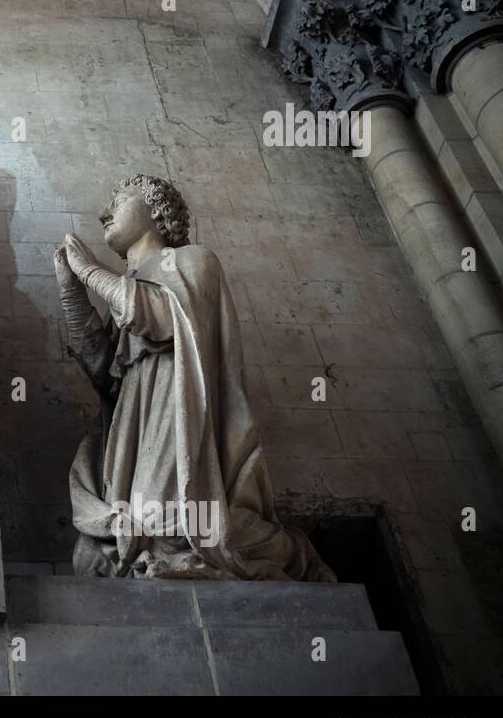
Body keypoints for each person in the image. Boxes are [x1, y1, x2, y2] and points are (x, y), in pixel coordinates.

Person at [57, 174, 334, 581]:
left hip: (179, 409)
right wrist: (71, 292)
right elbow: (104, 370)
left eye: (120, 197)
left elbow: (161, 316)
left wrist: (89, 271)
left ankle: (288, 554)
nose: (105, 212)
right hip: (136, 420)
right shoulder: (130, 285)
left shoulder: (191, 261)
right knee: (115, 541)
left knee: (167, 524)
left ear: (155, 208)